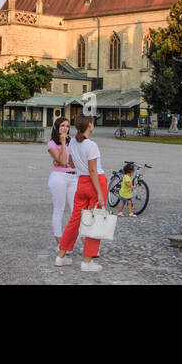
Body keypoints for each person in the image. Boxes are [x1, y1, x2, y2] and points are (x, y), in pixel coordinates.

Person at [57, 113, 108, 272]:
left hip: (81, 183)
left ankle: (61, 256)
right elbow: (93, 170)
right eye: (92, 123)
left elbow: (71, 163)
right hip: (95, 182)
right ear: (89, 125)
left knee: (75, 219)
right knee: (95, 222)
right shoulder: (91, 145)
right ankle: (87, 261)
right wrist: (99, 192)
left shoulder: (73, 144)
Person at [45, 117, 78, 247]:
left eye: (67, 126)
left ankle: (81, 240)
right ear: (56, 127)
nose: (65, 128)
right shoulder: (52, 144)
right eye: (62, 125)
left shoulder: (73, 141)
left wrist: (62, 162)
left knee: (76, 210)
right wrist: (63, 143)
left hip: (73, 178)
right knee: (59, 209)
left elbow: (74, 161)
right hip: (58, 178)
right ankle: (60, 244)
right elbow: (64, 160)